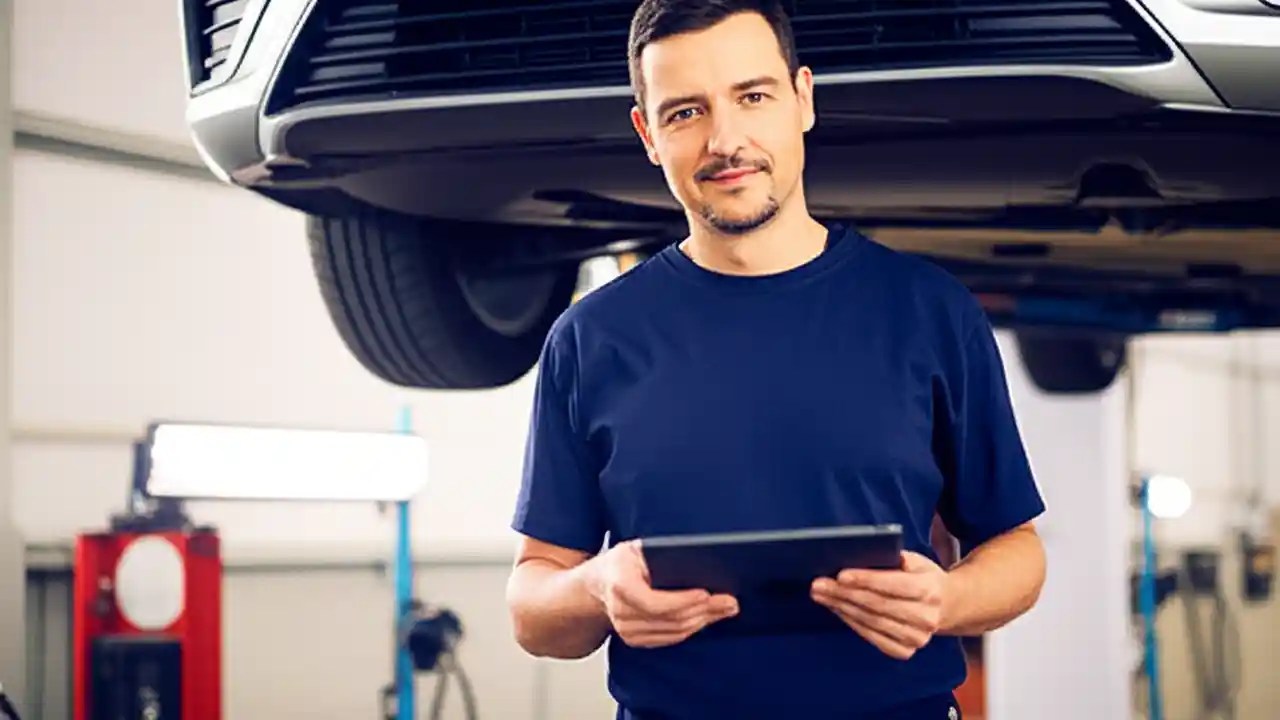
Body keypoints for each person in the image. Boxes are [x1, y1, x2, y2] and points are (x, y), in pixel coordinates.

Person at [504, 1, 1048, 718]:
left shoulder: (928, 310)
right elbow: (533, 605)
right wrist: (598, 587)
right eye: (685, 113)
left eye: (752, 97)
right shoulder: (589, 339)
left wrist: (947, 599)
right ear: (647, 135)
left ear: (803, 100)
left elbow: (1017, 550)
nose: (726, 140)